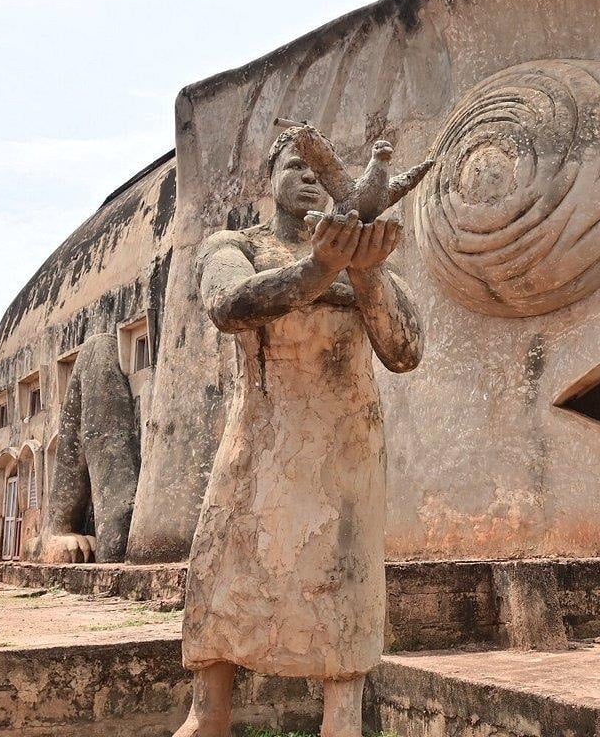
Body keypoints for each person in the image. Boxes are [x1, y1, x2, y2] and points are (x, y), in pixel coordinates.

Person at [174, 127, 423, 737]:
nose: (310, 175)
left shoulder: (363, 257)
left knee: (345, 589)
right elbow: (228, 305)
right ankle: (209, 715)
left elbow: (404, 349)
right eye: (295, 164)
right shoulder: (237, 245)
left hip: (346, 450)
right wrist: (319, 268)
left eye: (320, 167)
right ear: (271, 178)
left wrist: (365, 274)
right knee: (224, 578)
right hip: (259, 445)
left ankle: (342, 722)